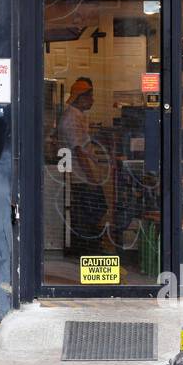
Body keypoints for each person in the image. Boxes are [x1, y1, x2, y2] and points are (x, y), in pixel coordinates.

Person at [58, 77, 108, 252]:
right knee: (90, 214)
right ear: (80, 97)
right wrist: (92, 177)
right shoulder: (72, 118)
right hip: (82, 177)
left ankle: (89, 247)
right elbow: (79, 151)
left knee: (93, 212)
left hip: (84, 176)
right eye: (90, 96)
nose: (93, 100)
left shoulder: (77, 116)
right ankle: (87, 250)